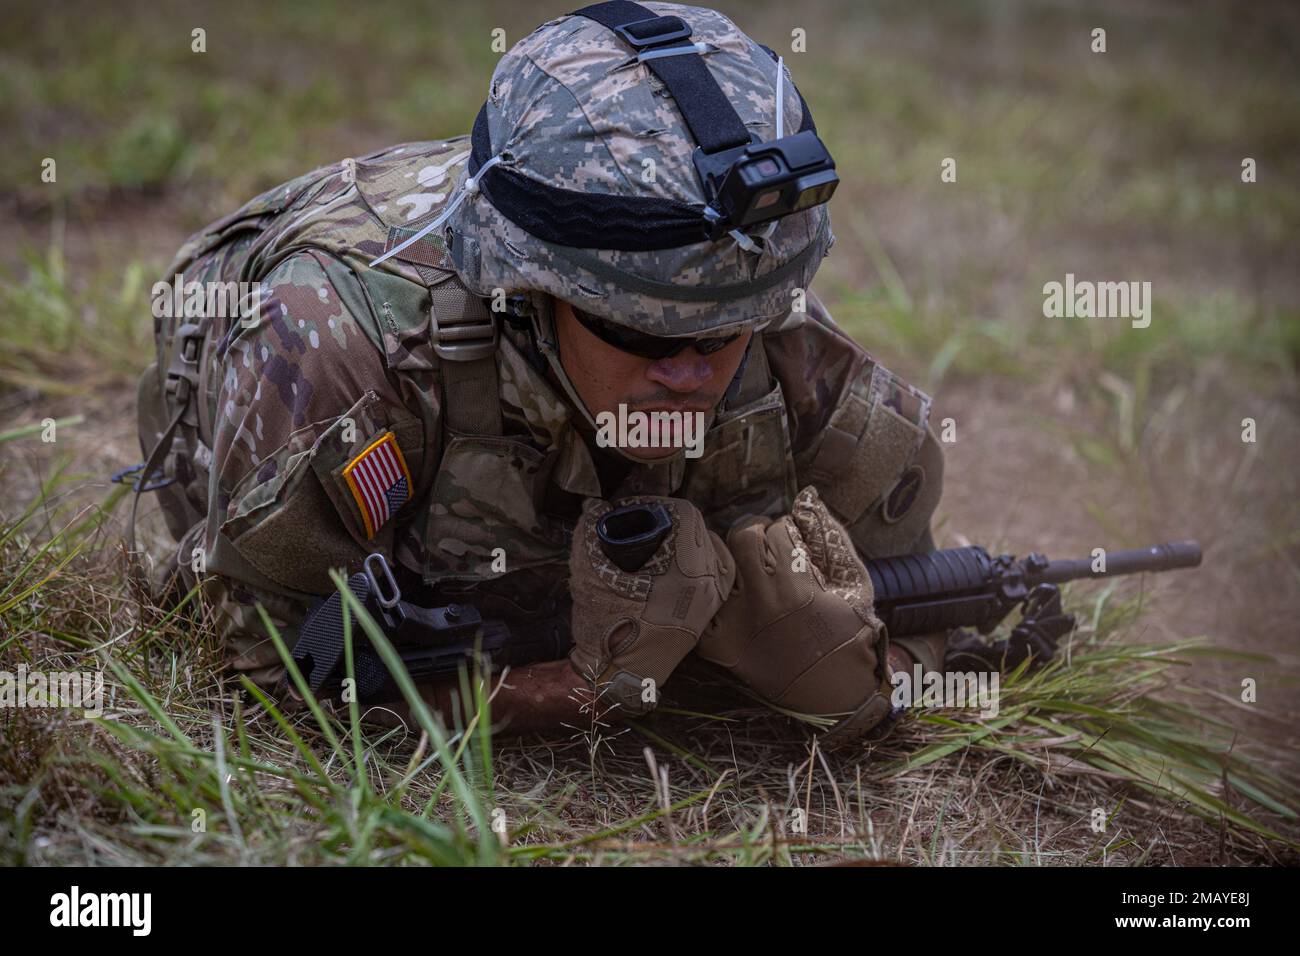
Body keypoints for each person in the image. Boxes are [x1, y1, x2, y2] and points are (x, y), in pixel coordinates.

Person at [132, 1, 954, 748]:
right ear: (528, 292)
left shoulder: (780, 346)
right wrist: (572, 693)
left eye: (730, 324)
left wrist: (856, 680)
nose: (692, 372)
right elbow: (270, 680)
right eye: (639, 329)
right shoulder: (343, 358)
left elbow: (923, 583)